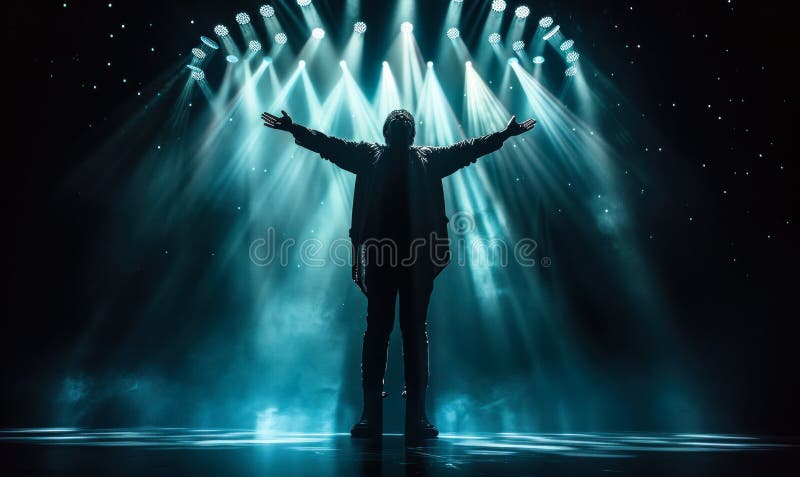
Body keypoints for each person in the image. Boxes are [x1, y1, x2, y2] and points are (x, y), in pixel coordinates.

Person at [261, 108, 536, 440]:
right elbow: (329, 145)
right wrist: (295, 129)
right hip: (379, 257)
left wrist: (503, 135)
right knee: (378, 332)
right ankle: (370, 414)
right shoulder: (368, 155)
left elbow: (469, 149)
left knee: (413, 334)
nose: (402, 124)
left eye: (406, 122)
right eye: (396, 121)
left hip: (417, 259)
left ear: (413, 133)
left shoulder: (429, 159)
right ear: (386, 130)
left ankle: (417, 415)